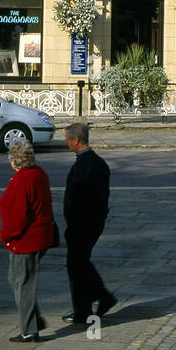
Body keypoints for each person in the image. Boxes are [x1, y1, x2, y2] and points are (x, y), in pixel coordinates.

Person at [0, 138, 54, 343]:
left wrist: (6, 236)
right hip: (40, 235)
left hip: (26, 239)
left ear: (14, 161)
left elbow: (16, 217)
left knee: (22, 283)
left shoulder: (22, 181)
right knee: (18, 280)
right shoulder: (38, 173)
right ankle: (33, 320)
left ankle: (29, 329)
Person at [62, 122, 118, 324]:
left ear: (76, 140)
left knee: (76, 264)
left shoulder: (83, 166)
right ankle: (86, 306)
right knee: (80, 263)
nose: (66, 143)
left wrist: (72, 222)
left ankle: (94, 302)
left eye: (67, 140)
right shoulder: (98, 163)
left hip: (81, 224)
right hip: (94, 222)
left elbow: (78, 199)